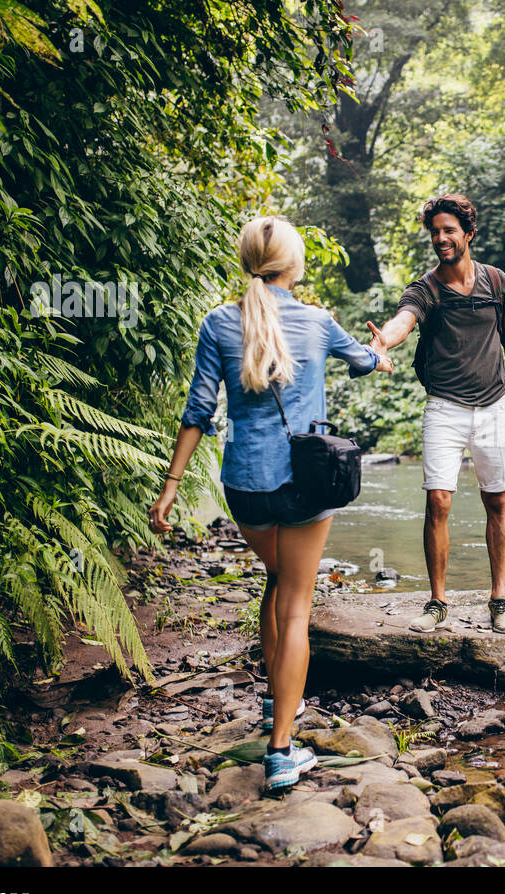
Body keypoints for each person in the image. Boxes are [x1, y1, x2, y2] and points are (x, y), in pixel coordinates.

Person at [148, 215, 392, 794]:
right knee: (297, 607)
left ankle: (270, 699)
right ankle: (281, 750)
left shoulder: (217, 324)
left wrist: (171, 486)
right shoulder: (317, 322)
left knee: (277, 582)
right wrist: (381, 348)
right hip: (306, 483)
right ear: (293, 264)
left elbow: (197, 412)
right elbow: (368, 362)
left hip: (245, 486)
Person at [365, 194, 505, 635]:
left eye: (448, 231)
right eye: (435, 232)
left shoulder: (496, 282)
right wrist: (383, 342)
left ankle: (499, 599)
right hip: (444, 407)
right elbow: (404, 320)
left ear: (468, 234)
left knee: (496, 500)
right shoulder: (425, 288)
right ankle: (438, 602)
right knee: (437, 500)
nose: (440, 239)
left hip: (494, 406)